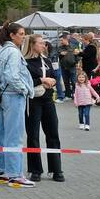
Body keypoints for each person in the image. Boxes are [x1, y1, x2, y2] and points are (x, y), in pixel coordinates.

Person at [0, 22, 37, 188]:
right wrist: (25, 90)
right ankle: (15, 174)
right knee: (14, 136)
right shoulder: (13, 52)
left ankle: (0, 171)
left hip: (1, 96)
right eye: (21, 34)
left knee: (0, 134)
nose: (24, 37)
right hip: (13, 96)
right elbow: (12, 76)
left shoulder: (0, 50)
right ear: (12, 35)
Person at [23, 34, 65, 182]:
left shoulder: (46, 60)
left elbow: (54, 76)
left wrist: (51, 81)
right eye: (40, 43)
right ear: (32, 45)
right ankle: (35, 170)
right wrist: (41, 80)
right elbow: (25, 81)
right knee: (33, 135)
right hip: (33, 101)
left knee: (53, 133)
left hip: (48, 100)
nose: (43, 45)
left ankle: (56, 169)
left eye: (43, 43)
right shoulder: (25, 62)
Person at [57, 33, 79, 103]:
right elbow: (57, 56)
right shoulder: (60, 47)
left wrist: (76, 62)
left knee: (73, 81)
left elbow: (77, 55)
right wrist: (60, 54)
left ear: (65, 39)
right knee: (66, 81)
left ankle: (75, 94)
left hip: (72, 66)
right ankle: (68, 95)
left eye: (61, 40)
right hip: (63, 66)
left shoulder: (73, 46)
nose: (61, 42)